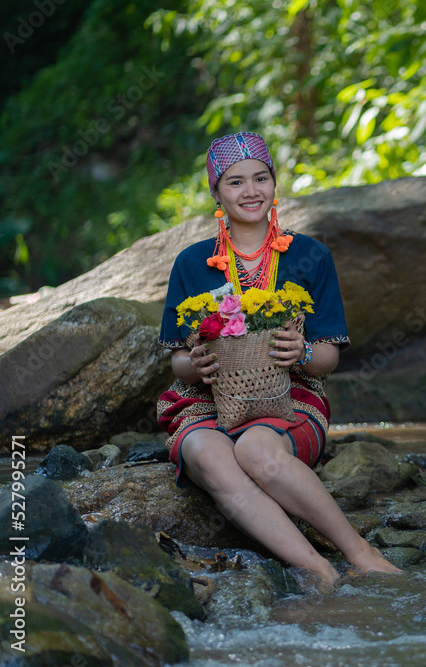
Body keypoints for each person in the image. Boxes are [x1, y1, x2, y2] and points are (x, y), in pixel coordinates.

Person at [156, 131, 400, 588]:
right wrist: (200, 364)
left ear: (274, 183)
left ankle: (360, 553)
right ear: (216, 191)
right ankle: (317, 570)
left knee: (255, 451)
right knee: (207, 455)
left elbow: (327, 357)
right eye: (235, 182)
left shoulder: (309, 255)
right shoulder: (192, 263)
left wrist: (301, 352)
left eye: (260, 178)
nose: (250, 191)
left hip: (290, 395)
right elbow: (179, 363)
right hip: (207, 400)